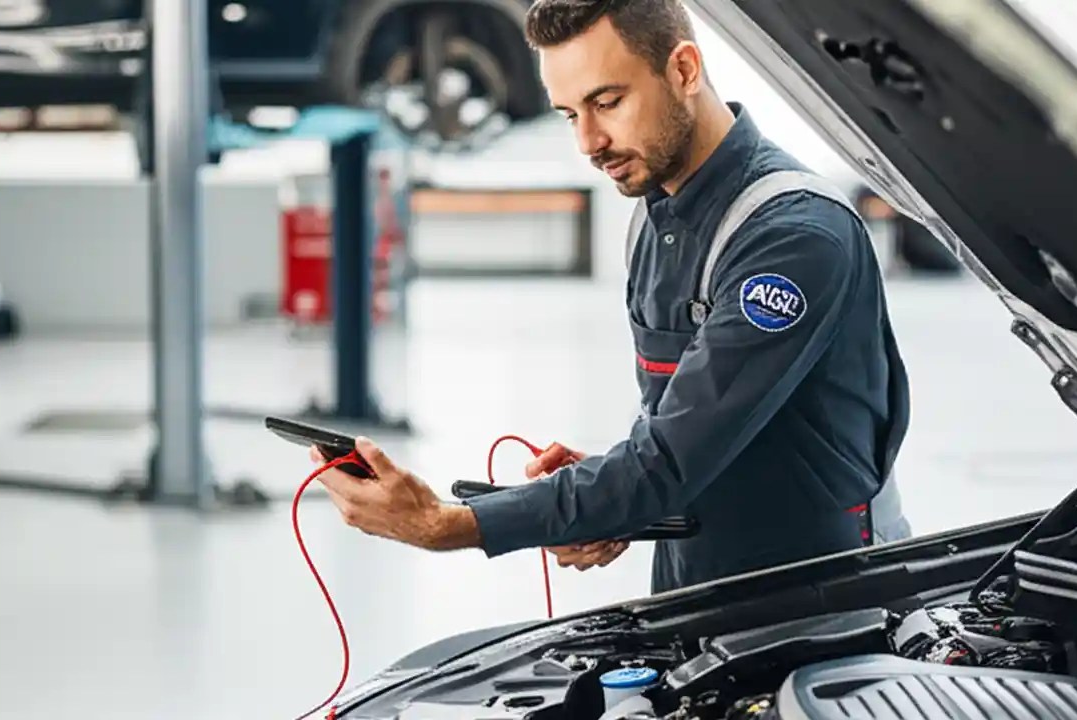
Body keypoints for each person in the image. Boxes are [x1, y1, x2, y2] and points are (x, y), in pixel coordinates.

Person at [313, 0, 912, 594]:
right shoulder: (654, 219)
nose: (589, 141)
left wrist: (444, 525)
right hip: (695, 594)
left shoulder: (791, 238)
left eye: (607, 103)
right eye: (570, 113)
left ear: (683, 70)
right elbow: (678, 431)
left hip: (822, 608)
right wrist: (604, 498)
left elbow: (667, 464)